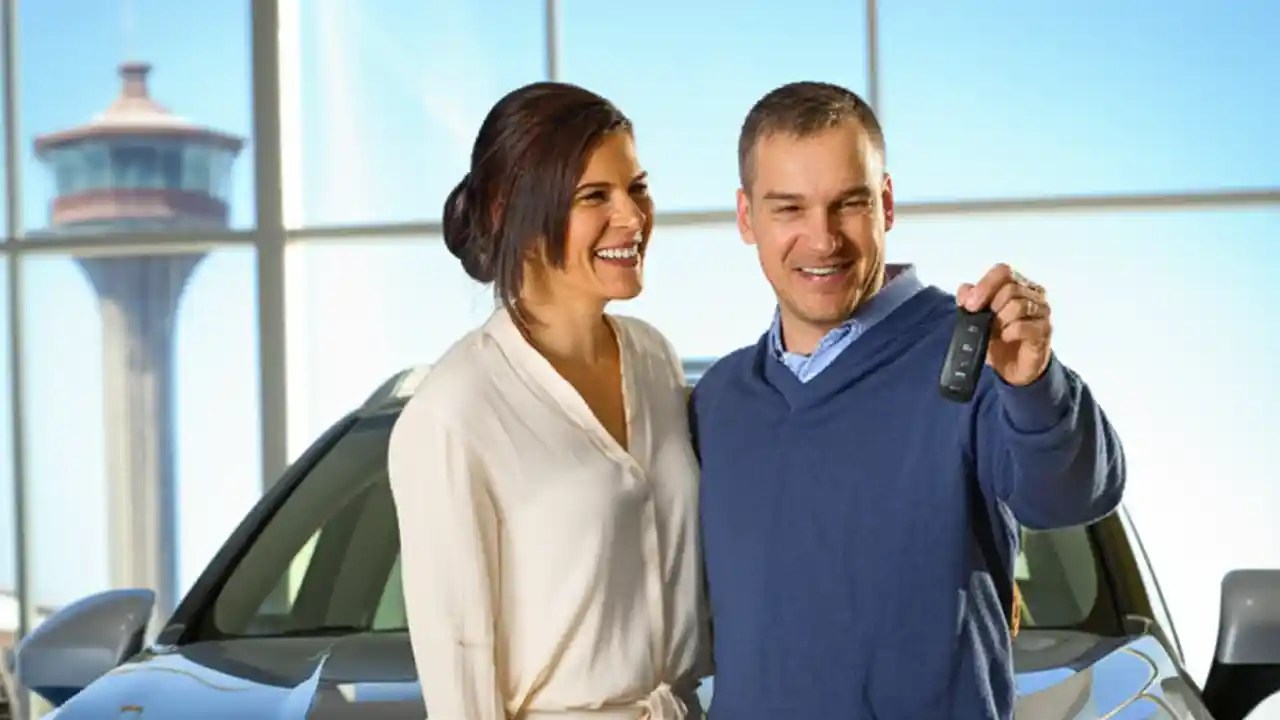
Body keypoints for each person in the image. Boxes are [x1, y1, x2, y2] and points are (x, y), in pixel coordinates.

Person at [688, 81, 1126, 720]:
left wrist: (1032, 383)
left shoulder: (976, 358)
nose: (822, 239)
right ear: (746, 217)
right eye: (788, 209)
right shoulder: (719, 402)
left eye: (849, 204)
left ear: (886, 204)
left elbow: (1069, 496)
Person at [386, 82, 710, 720]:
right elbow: (460, 667)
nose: (633, 217)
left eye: (637, 188)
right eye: (596, 196)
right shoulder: (454, 411)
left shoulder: (653, 360)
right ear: (513, 208)